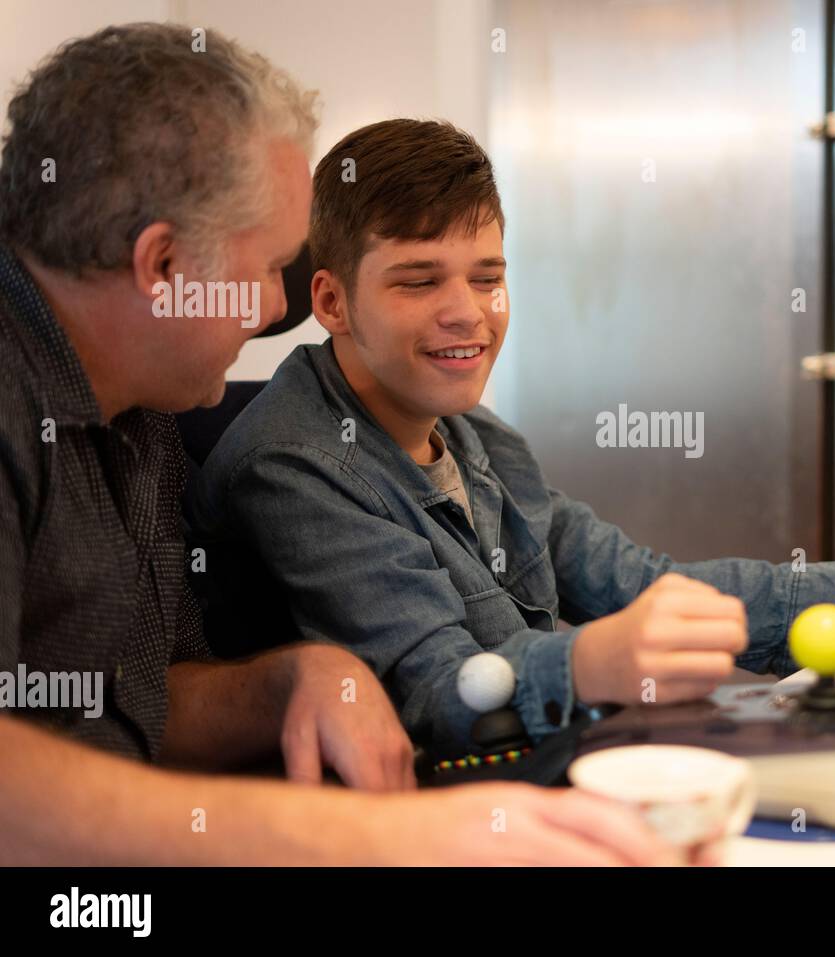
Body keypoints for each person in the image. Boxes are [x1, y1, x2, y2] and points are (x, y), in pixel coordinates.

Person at [0, 23, 677, 867]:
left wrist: (301, 674)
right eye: (271, 268)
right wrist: (366, 838)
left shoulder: (143, 405)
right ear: (163, 267)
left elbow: (145, 703)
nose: (272, 315)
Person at [188, 118, 835, 760]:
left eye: (488, 277)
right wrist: (593, 661)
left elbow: (642, 582)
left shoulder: (476, 439)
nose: (467, 312)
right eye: (419, 281)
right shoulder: (295, 466)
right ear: (332, 302)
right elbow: (439, 693)